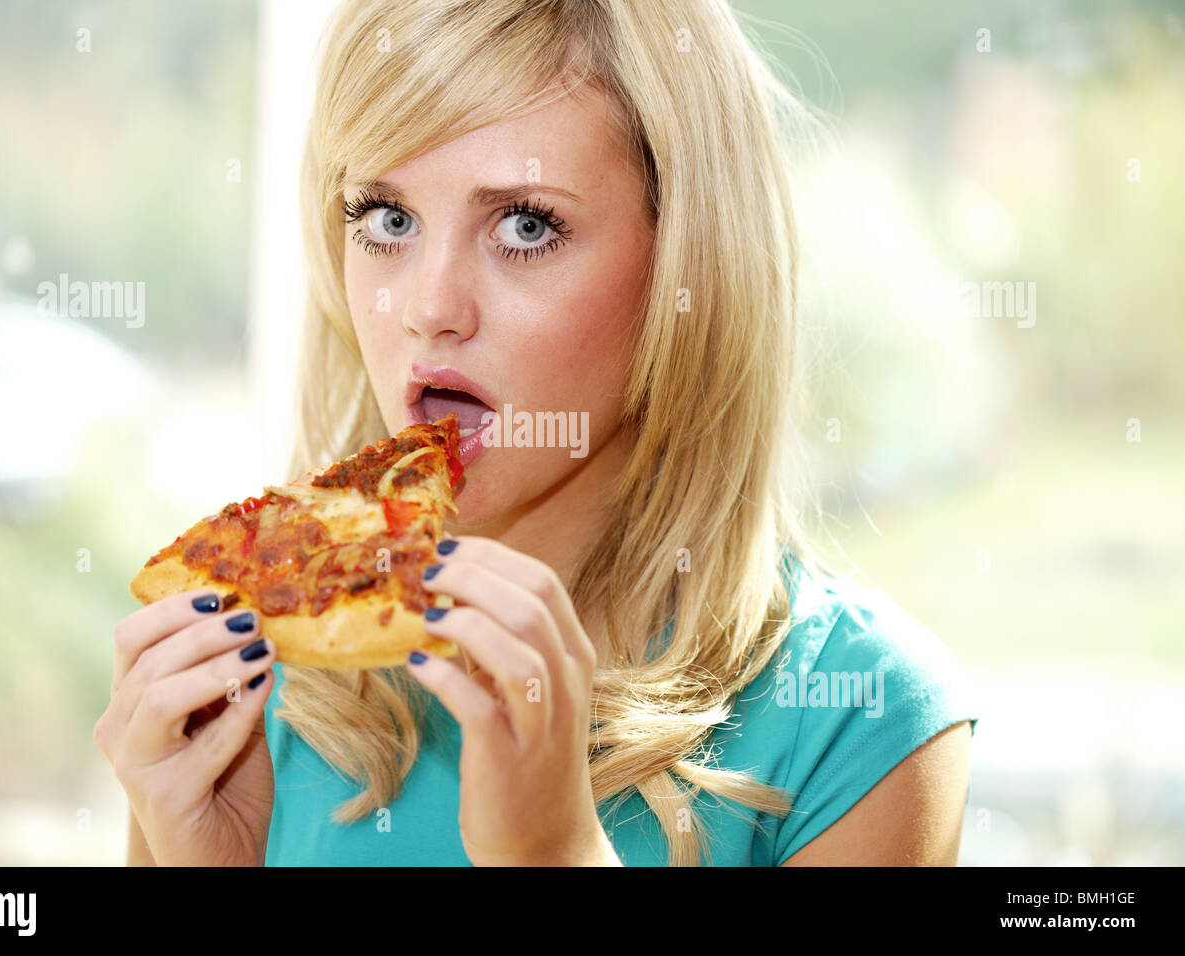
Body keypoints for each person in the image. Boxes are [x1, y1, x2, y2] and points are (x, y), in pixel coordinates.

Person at [95, 0, 979, 867]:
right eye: (387, 219)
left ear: (687, 263)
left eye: (525, 225)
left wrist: (556, 858)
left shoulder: (863, 724)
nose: (428, 308)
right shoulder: (243, 676)